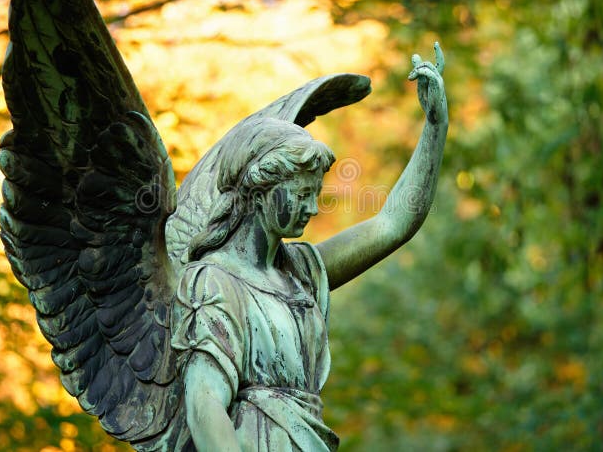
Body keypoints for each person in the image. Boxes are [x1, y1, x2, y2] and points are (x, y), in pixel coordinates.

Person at [170, 49, 448, 451]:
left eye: (314, 194)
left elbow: (393, 225)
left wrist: (435, 128)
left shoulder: (300, 270)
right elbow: (205, 403)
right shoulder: (213, 282)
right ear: (261, 191)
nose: (313, 208)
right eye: (301, 195)